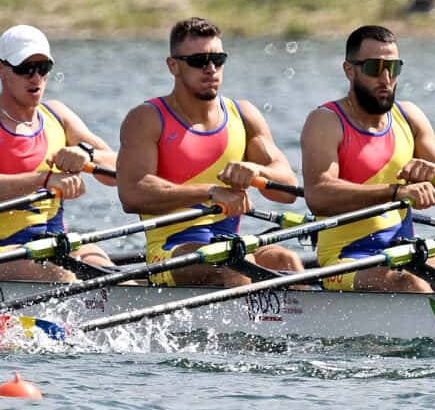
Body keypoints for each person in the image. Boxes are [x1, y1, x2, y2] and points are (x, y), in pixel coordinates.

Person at [117, 17, 303, 286]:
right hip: (170, 253)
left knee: (286, 260)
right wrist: (210, 192)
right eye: (199, 61)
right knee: (230, 260)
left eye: (218, 59)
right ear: (173, 66)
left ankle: (301, 315)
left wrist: (256, 170)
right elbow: (132, 193)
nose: (211, 69)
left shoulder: (243, 115)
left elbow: (287, 191)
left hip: (231, 247)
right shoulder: (146, 119)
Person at [299, 25, 435, 293]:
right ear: (349, 70)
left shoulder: (409, 117)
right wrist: (395, 192)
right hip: (345, 260)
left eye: (393, 68)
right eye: (374, 68)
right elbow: (318, 194)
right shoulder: (326, 121)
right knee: (412, 284)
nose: (386, 78)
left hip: (404, 254)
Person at [0, 24, 118, 281]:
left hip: (57, 244)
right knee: (63, 277)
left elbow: (121, 170)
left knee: (114, 276)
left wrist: (88, 156)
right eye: (25, 68)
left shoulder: (57, 115)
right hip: (1, 253)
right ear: (0, 69)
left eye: (43, 68)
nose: (35, 77)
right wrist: (44, 180)